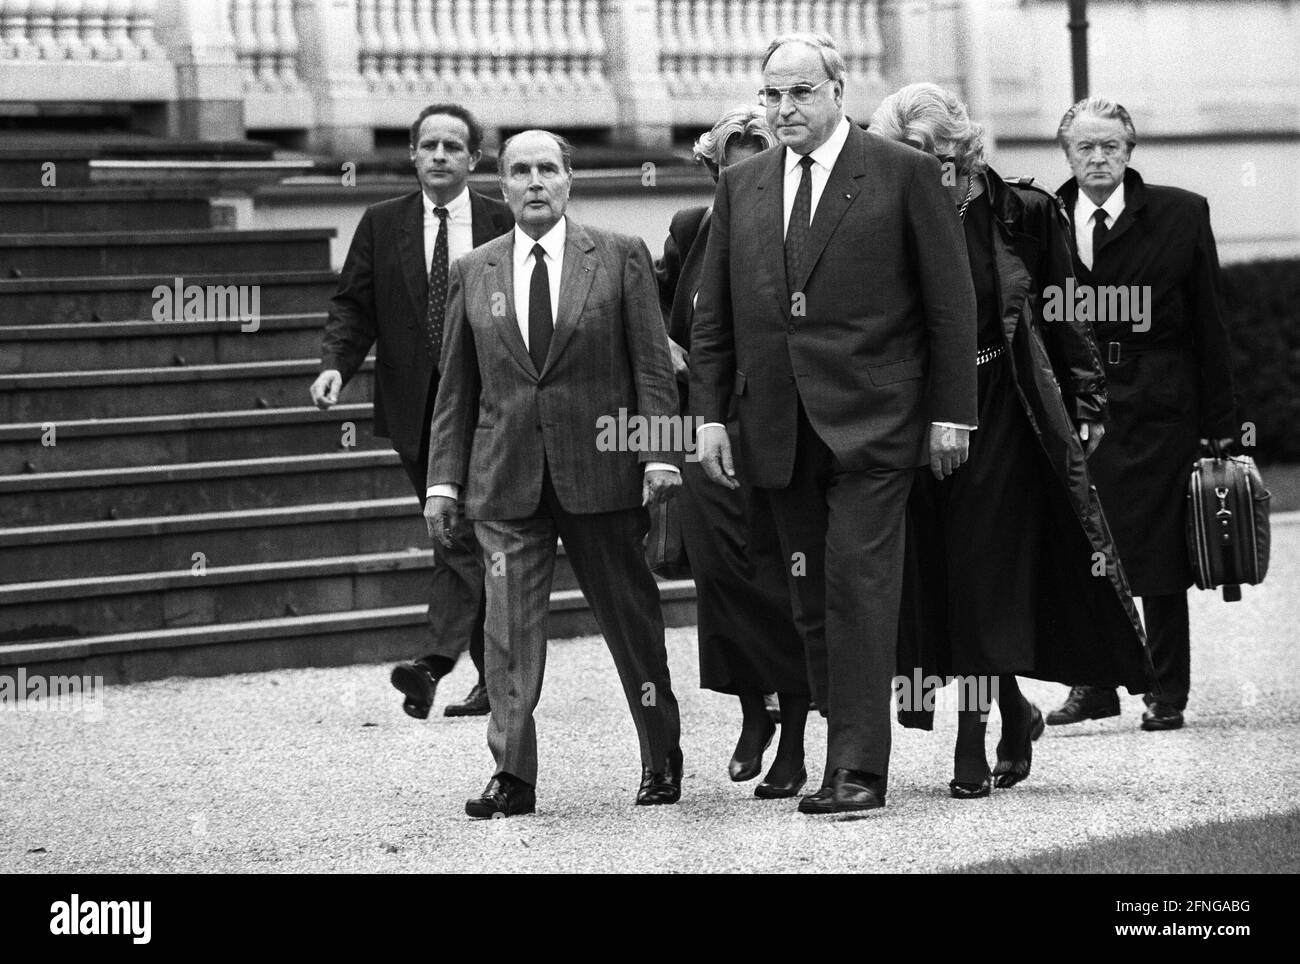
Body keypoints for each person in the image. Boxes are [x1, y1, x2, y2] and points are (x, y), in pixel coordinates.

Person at [690, 33, 978, 815]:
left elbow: (951, 308)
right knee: (809, 597)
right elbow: (712, 317)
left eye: (801, 93)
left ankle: (857, 769)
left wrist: (952, 413)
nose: (785, 109)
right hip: (776, 429)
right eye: (773, 95)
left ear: (838, 91)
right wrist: (709, 420)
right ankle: (834, 747)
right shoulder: (742, 186)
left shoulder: (904, 174)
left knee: (859, 587)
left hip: (877, 426)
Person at [869, 83, 1152, 798]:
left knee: (982, 578)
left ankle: (971, 740)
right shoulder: (883, 214)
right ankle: (1015, 710)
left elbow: (1063, 306)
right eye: (901, 154)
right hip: (914, 412)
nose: (914, 166)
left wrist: (1086, 395)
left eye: (927, 153)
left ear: (960, 149)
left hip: (1002, 406)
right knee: (938, 576)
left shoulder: (1020, 211)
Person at [424, 130, 684, 819]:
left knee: (632, 623)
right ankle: (512, 774)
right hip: (504, 481)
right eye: (519, 171)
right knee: (506, 631)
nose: (534, 181)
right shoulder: (473, 270)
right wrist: (442, 483)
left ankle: (661, 754)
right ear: (501, 186)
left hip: (601, 474)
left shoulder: (619, 256)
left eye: (547, 169)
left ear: (569, 180)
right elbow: (455, 388)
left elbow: (651, 367)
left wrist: (659, 455)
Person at [312, 104, 513, 721]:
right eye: (429, 146)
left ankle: (438, 661)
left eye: (454, 146)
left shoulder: (503, 219)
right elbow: (354, 306)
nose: (440, 156)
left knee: (475, 533)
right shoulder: (382, 223)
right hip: (414, 406)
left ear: (473, 159)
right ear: (412, 155)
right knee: (452, 532)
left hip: (491, 405)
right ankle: (474, 671)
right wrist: (335, 367)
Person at [1046, 98, 1238, 732]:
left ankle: (1165, 691)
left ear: (1130, 151)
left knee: (1158, 556)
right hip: (1081, 408)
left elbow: (1210, 323)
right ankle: (1095, 684)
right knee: (1084, 549)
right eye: (1085, 148)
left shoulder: (1181, 213)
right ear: (1067, 153)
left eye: (1110, 147)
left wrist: (1223, 425)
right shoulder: (1043, 216)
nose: (1097, 158)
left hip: (1160, 406)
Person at [655, 106, 810, 799]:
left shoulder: (793, 225)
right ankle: (754, 710)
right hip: (706, 428)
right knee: (718, 579)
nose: (743, 170)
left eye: (758, 154)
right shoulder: (693, 229)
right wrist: (664, 344)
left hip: (782, 429)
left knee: (780, 582)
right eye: (730, 159)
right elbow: (657, 317)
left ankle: (799, 735)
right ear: (713, 168)